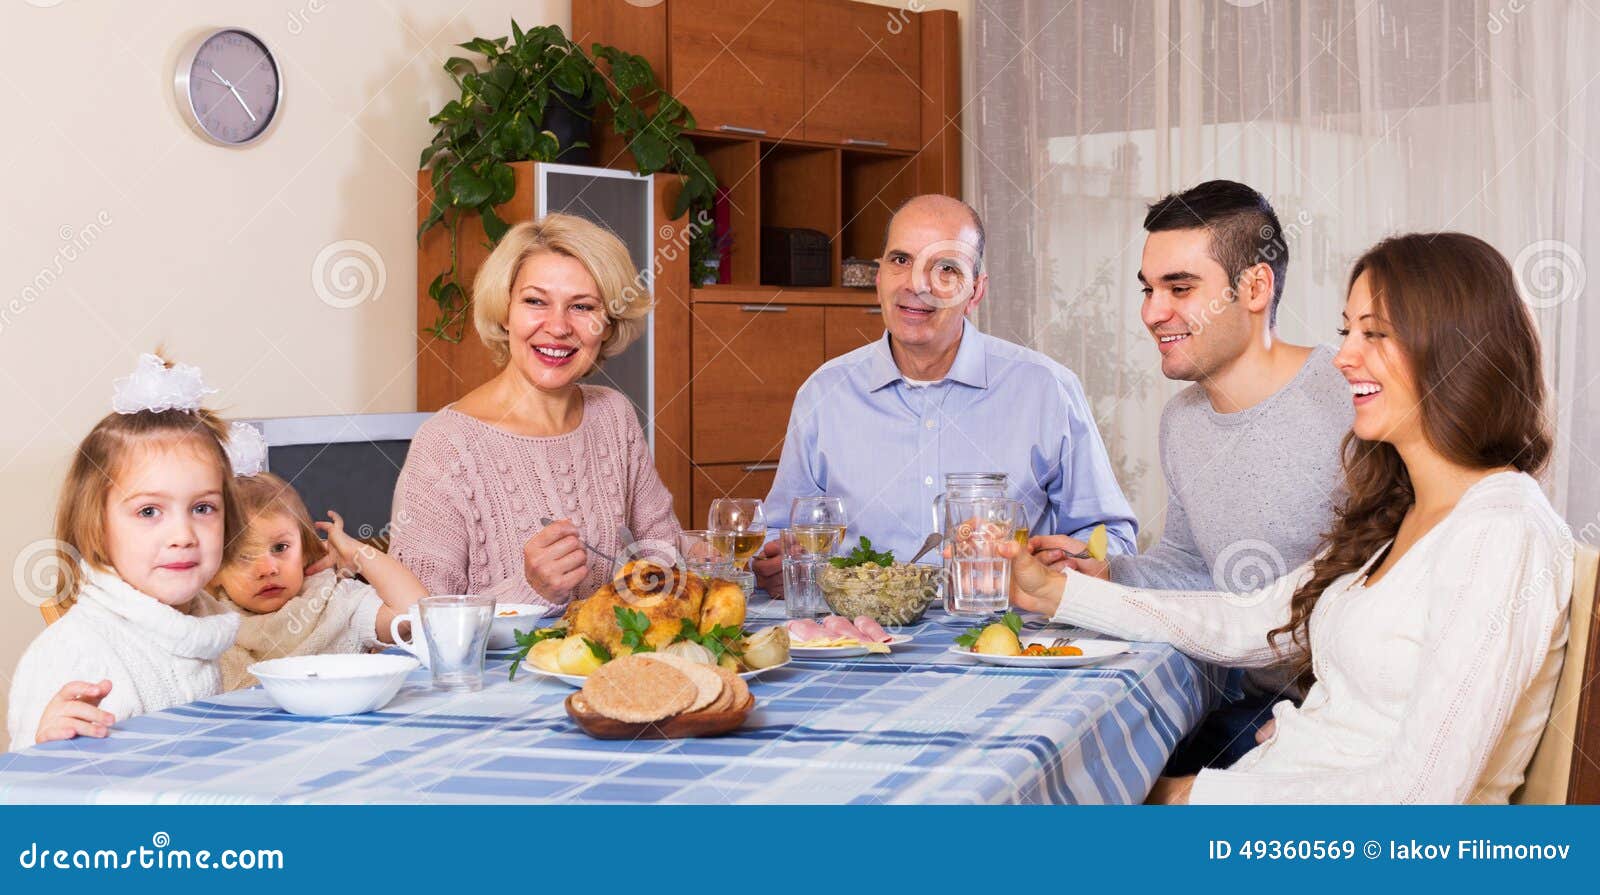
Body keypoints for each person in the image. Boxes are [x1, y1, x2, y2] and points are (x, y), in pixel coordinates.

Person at [1005, 232, 1571, 804]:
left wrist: (1188, 798)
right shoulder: (1402, 510)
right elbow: (1248, 623)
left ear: (1458, 351)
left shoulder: (1500, 530)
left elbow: (1416, 798)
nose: (1345, 355)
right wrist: (1059, 593)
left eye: (1374, 333)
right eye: (1347, 331)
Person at [1029, 180, 1351, 770]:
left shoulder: (1353, 397)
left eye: (1180, 288)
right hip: (1251, 700)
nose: (1153, 313)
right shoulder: (1183, 420)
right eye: (1148, 290)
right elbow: (1191, 564)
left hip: (1337, 718)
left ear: (1255, 287)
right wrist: (1105, 571)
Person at [755, 194, 1136, 594]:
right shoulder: (824, 393)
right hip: (860, 640)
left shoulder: (1047, 389)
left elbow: (1111, 540)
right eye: (901, 260)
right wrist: (776, 560)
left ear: (975, 291)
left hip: (1004, 638)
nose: (917, 284)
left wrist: (1071, 561)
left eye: (946, 268)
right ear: (879, 276)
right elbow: (782, 533)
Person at [390, 214, 680, 613]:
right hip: (497, 677)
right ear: (505, 312)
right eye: (535, 301)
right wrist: (531, 590)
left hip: (609, 670)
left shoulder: (613, 415)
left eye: (582, 306)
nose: (558, 327)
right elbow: (420, 622)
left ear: (608, 326)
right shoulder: (445, 445)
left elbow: (664, 553)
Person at [7, 354, 243, 747]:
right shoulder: (75, 650)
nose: (183, 534)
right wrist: (45, 745)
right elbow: (26, 792)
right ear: (96, 526)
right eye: (149, 511)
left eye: (203, 508)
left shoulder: (197, 627)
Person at [211, 471, 427, 689]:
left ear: (305, 550)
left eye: (280, 548)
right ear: (215, 569)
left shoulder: (334, 600)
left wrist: (356, 552)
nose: (267, 569)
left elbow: (414, 613)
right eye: (243, 557)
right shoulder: (210, 625)